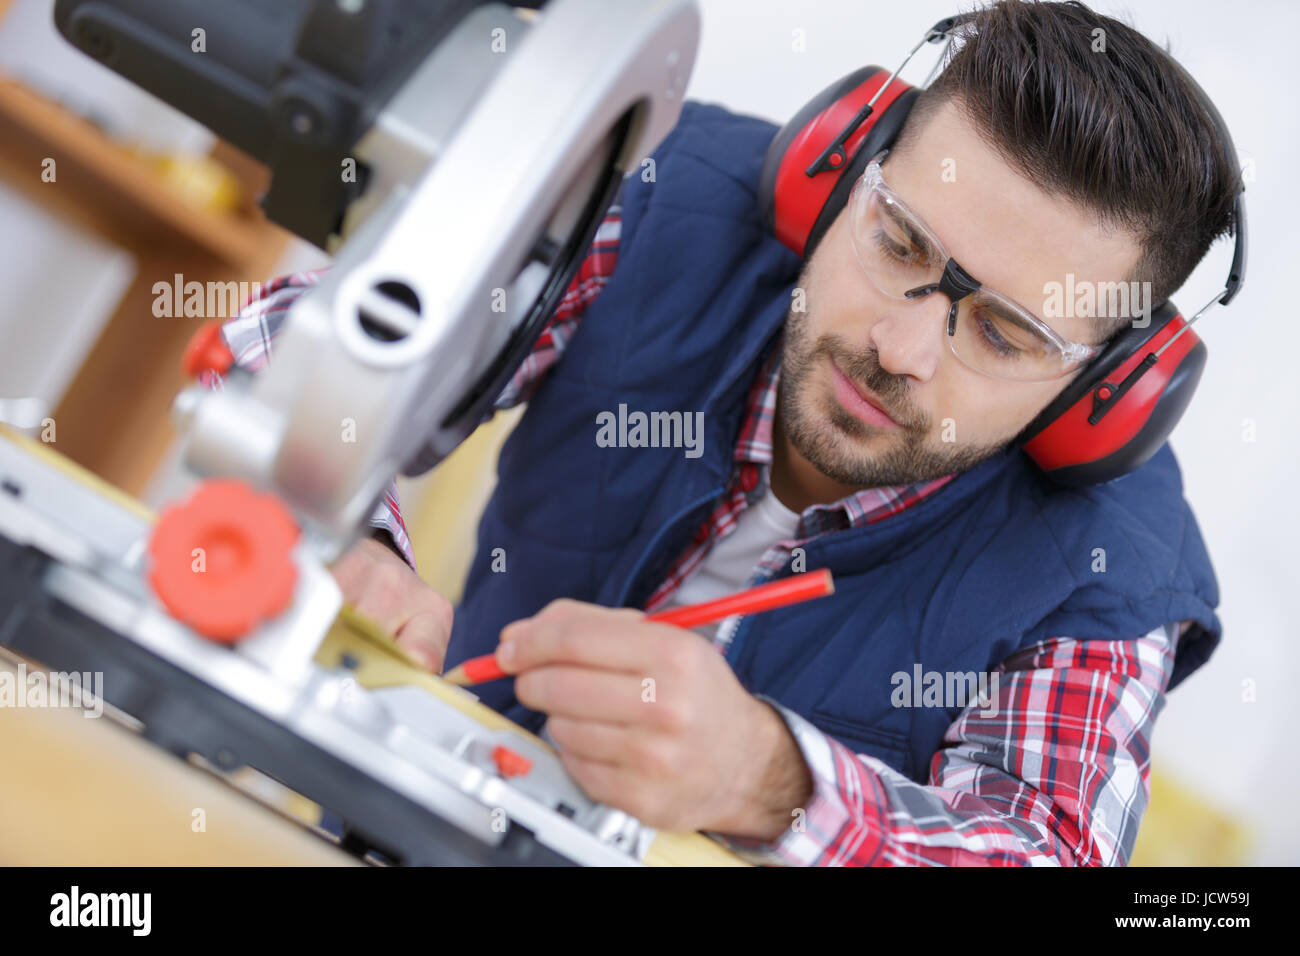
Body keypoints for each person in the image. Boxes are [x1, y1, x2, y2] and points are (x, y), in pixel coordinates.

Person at [216, 0, 1240, 865]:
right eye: (899, 240)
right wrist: (343, 528)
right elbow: (275, 342)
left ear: (1108, 391)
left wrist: (770, 782)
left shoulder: (1112, 569)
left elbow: (1044, 849)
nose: (899, 346)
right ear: (834, 169)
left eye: (1005, 332)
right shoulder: (668, 196)